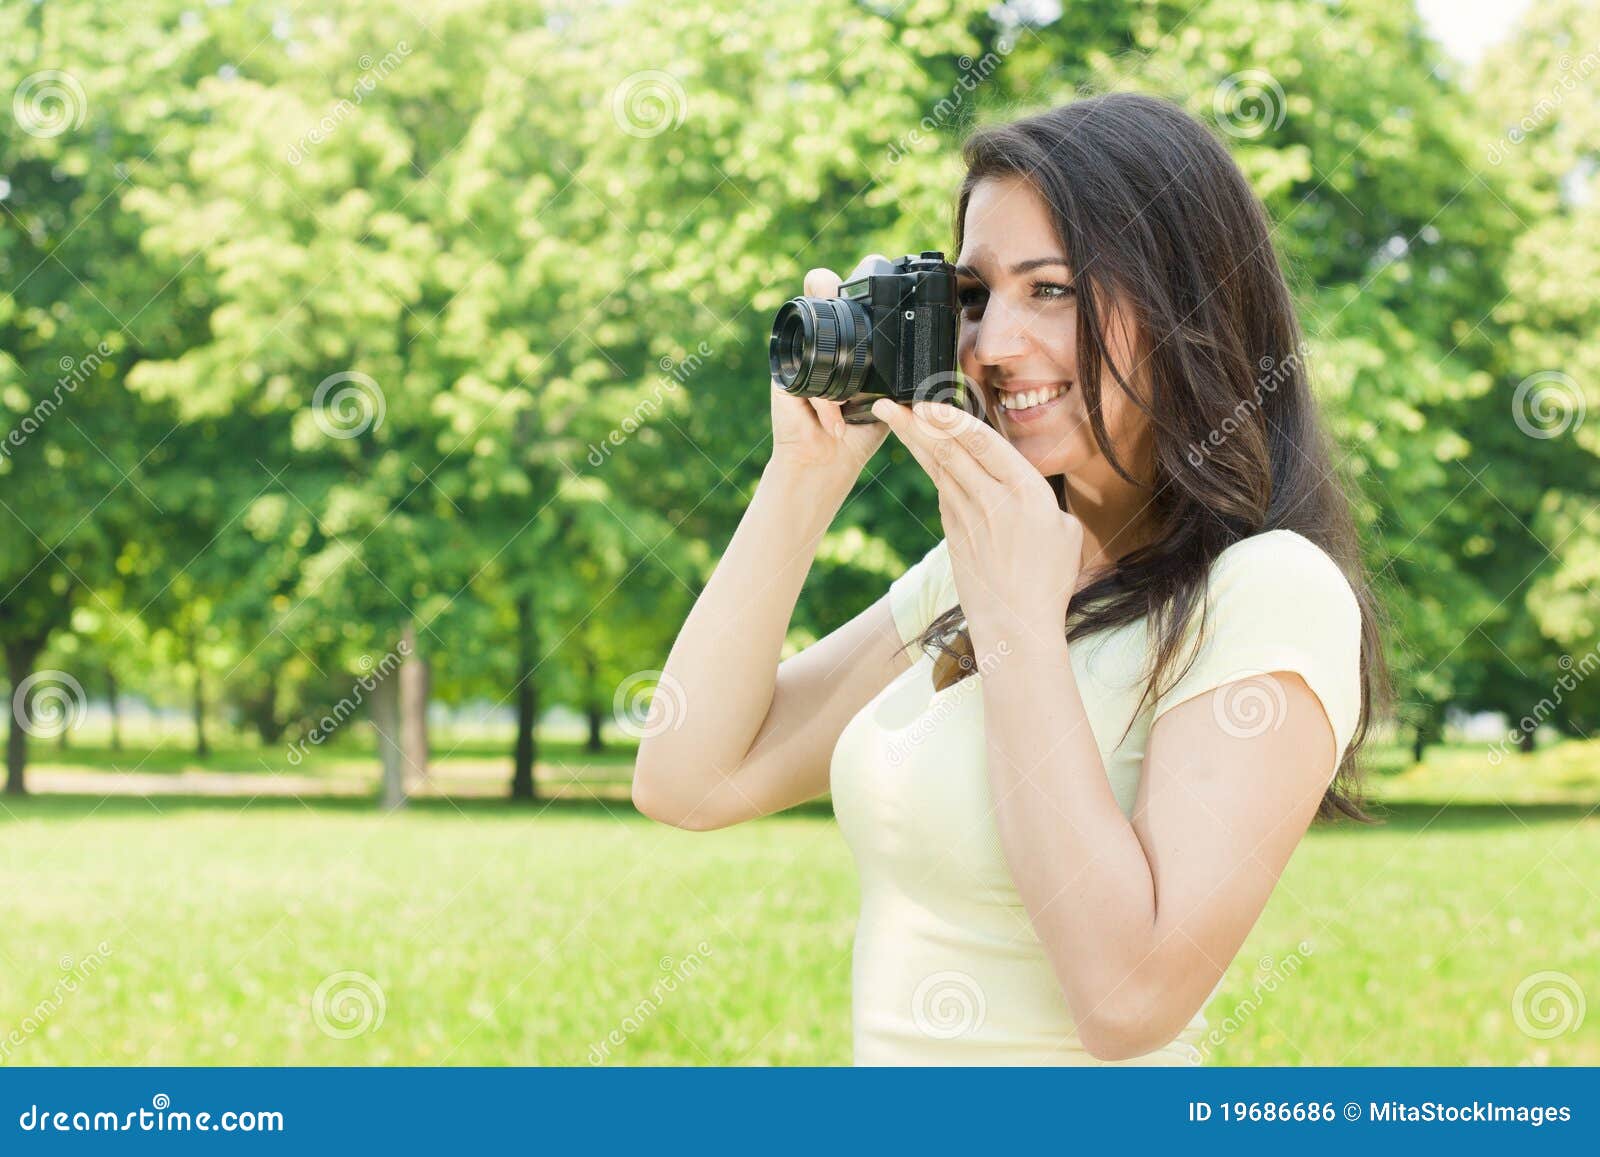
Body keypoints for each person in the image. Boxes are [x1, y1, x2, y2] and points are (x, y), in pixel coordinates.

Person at [632, 92, 1389, 1065]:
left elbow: (1128, 1000)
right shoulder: (981, 563)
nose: (990, 346)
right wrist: (804, 474)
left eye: (1053, 290)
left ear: (1186, 304)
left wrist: (1019, 628)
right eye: (976, 295)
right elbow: (689, 777)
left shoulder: (1268, 591)